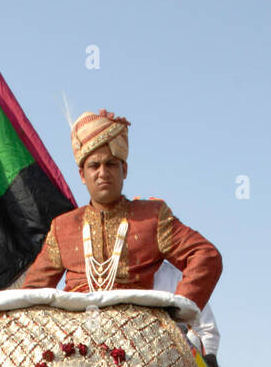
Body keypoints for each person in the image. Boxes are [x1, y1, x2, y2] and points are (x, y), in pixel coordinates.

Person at [22, 110, 222, 313]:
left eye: (110, 164)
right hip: (74, 335)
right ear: (82, 175)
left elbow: (205, 255)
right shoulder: (63, 227)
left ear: (124, 170)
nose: (103, 173)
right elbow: (30, 293)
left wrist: (178, 308)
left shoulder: (152, 216)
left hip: (138, 332)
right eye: (94, 166)